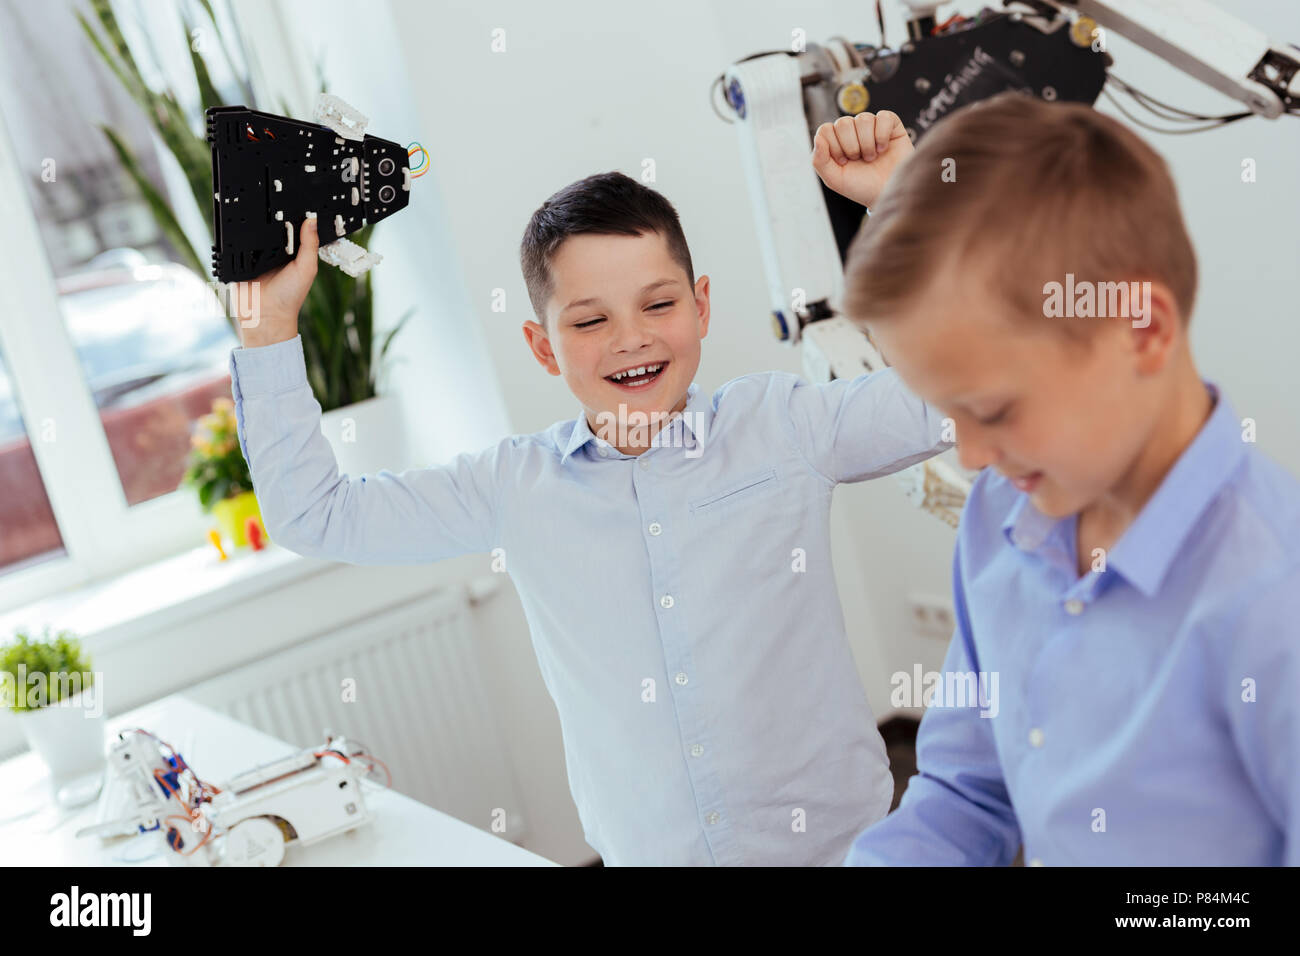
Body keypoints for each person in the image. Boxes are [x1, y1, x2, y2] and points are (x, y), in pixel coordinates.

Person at [226, 112, 948, 865]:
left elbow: (956, 397)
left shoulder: (783, 426)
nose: (631, 338)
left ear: (702, 305)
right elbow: (316, 514)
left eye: (659, 305)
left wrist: (906, 199)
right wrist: (268, 326)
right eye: (590, 320)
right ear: (542, 346)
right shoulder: (512, 486)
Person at [832, 91, 1300, 865]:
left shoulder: (1271, 599)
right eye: (947, 413)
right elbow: (962, 789)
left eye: (993, 408)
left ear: (1140, 330)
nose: (972, 456)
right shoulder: (997, 517)